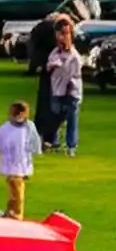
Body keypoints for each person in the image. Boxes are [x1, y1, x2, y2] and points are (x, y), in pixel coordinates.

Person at [0, 101, 42, 220]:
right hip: (10, 162)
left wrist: (35, 150)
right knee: (12, 186)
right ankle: (11, 210)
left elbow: (35, 142)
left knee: (17, 187)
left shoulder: (29, 127)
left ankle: (17, 212)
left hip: (21, 163)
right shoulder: (6, 127)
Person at [46, 18, 83, 157]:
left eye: (66, 33)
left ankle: (71, 146)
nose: (63, 37)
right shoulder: (55, 53)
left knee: (72, 120)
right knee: (55, 116)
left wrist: (69, 89)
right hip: (57, 91)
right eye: (61, 33)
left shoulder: (74, 56)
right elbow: (49, 66)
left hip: (70, 93)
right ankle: (52, 141)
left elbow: (72, 75)